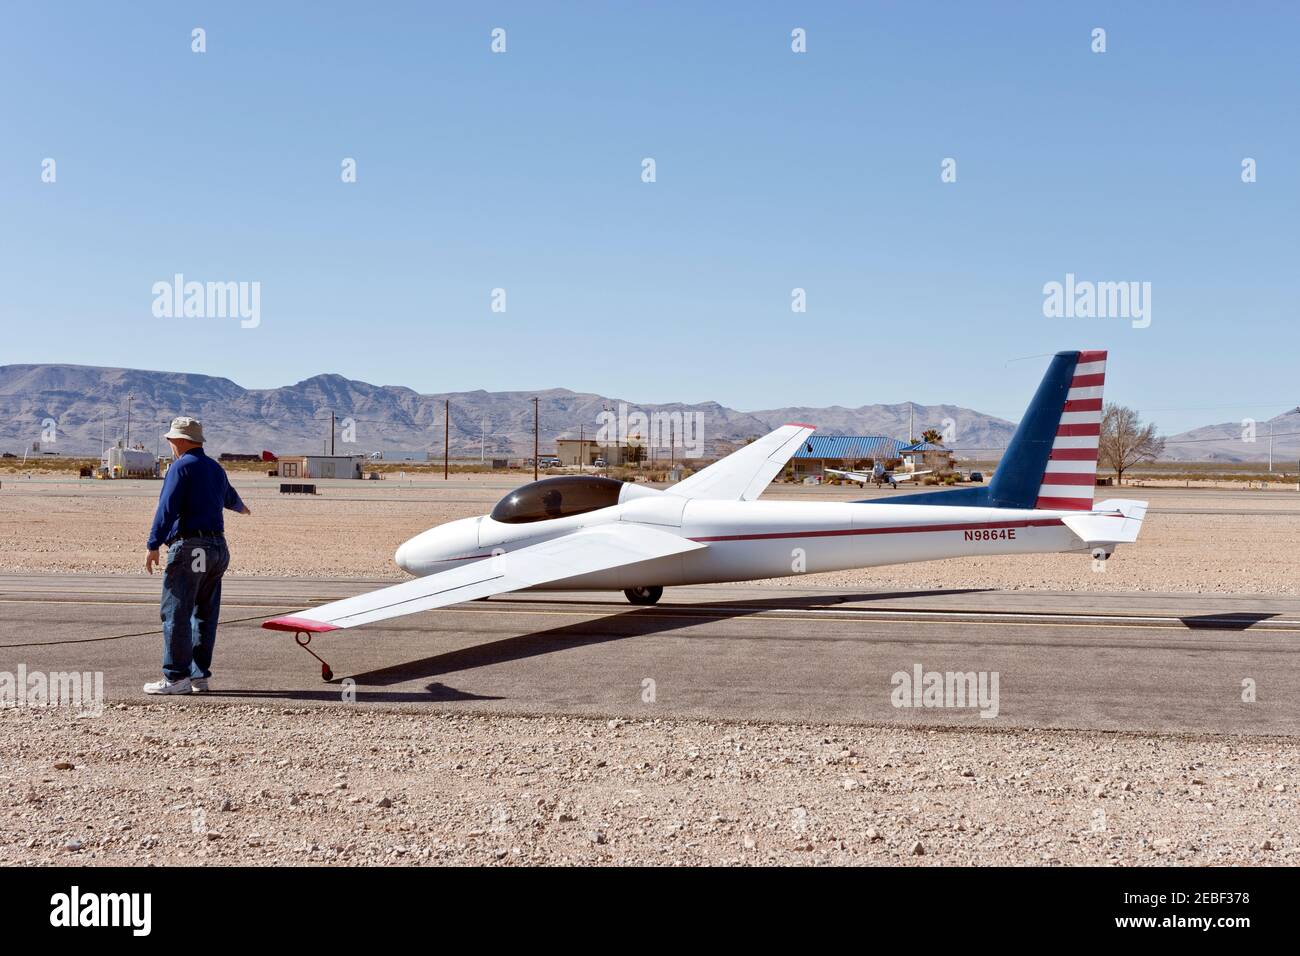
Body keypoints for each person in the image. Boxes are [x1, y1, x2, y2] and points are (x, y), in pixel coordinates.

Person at [143, 417, 251, 695]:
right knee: (204, 612)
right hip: (217, 548)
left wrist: (153, 544)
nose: (169, 444)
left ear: (179, 441)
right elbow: (230, 498)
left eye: (170, 439)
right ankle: (198, 676)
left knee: (176, 611)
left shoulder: (181, 467)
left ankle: (176, 677)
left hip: (192, 547)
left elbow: (166, 508)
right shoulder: (214, 467)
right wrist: (241, 508)